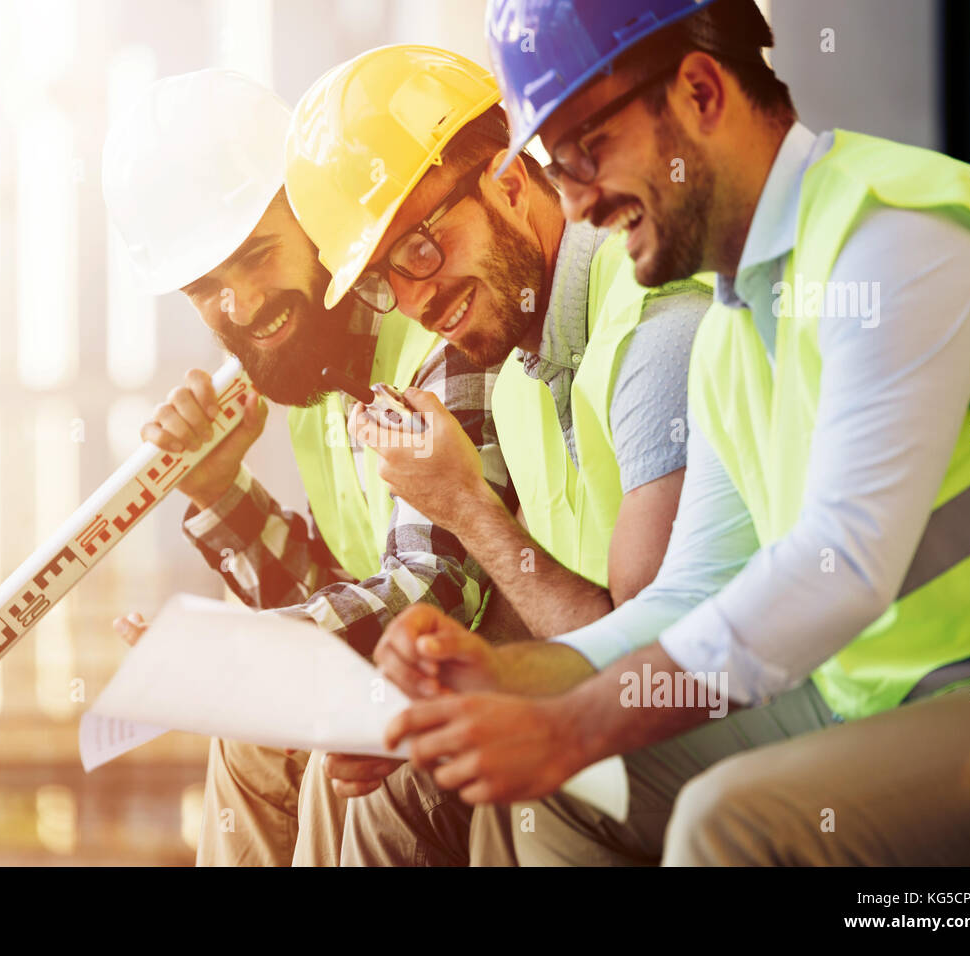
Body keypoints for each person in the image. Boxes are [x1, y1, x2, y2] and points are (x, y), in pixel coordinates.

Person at [383, 0, 970, 865]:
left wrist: (576, 724)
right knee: (545, 792)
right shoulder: (734, 330)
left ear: (699, 91)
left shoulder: (890, 238)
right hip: (868, 697)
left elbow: (843, 564)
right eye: (557, 166)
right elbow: (688, 596)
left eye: (587, 151)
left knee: (730, 820)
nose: (576, 204)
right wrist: (502, 680)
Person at [283, 44, 712, 865]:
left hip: (723, 711)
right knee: (381, 776)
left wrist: (466, 509)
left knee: (520, 788)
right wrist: (433, 689)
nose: (415, 301)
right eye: (383, 281)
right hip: (631, 690)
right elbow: (537, 612)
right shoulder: (515, 376)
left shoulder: (655, 326)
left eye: (420, 248)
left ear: (511, 182)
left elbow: (656, 668)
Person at [101, 68, 513, 865]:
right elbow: (345, 599)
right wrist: (219, 492)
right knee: (250, 738)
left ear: (317, 213)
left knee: (330, 755)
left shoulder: (439, 328)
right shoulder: (316, 376)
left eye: (258, 255)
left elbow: (433, 593)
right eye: (205, 288)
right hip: (432, 678)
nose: (244, 306)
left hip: (510, 683)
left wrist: (239, 655)